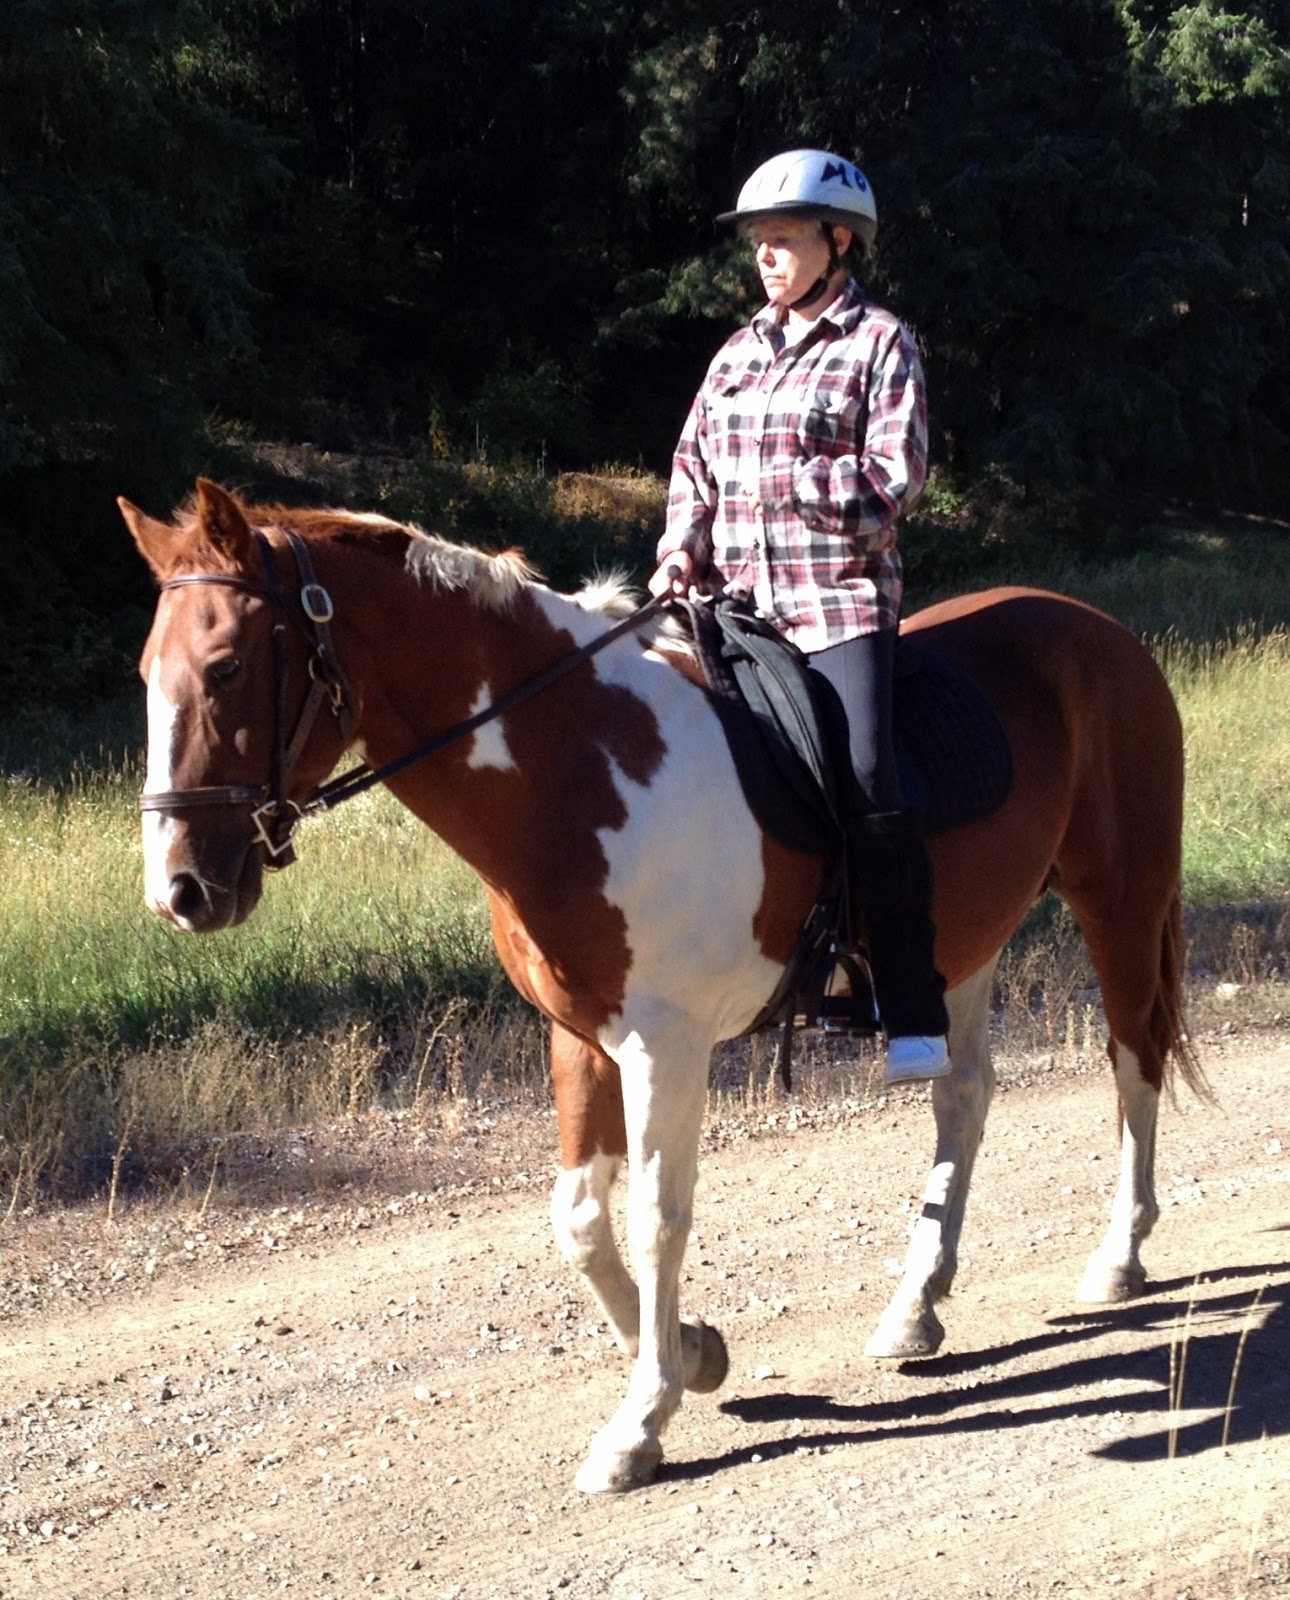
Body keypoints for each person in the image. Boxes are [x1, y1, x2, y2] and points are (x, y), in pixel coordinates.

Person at [649, 147, 950, 1085]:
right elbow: (692, 465)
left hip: (837, 606)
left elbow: (893, 485)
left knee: (866, 772)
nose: (766, 256)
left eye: (783, 238)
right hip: (730, 609)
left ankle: (907, 1001)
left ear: (838, 240)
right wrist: (677, 547)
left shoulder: (883, 344)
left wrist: (786, 478)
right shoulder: (736, 353)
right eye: (758, 241)